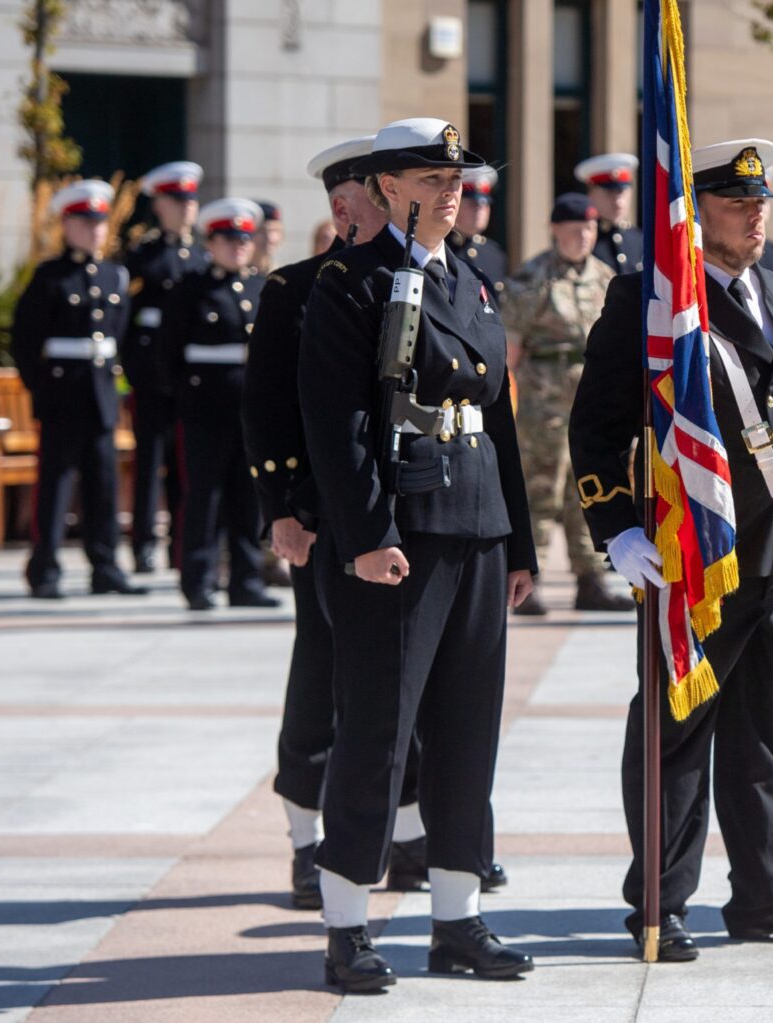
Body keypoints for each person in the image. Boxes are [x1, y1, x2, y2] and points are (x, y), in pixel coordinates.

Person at [570, 137, 773, 963]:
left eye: (762, 201)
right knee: (675, 731)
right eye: (737, 203)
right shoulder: (652, 299)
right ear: (696, 215)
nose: (756, 215)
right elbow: (596, 427)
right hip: (694, 556)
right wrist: (615, 529)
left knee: (763, 735)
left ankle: (768, 896)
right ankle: (662, 900)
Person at [299, 117, 537, 991]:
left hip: (475, 527)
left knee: (469, 730)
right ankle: (346, 923)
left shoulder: (472, 283)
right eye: (433, 179)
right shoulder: (351, 283)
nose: (453, 189)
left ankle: (456, 918)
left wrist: (518, 541)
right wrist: (365, 538)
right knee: (379, 729)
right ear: (389, 188)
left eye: (459, 177)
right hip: (399, 536)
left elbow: (498, 420)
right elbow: (339, 424)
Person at [243, 135, 498, 910]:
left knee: (428, 704)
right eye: (344, 205)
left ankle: (423, 843)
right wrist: (282, 507)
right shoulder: (306, 289)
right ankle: (311, 839)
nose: (349, 216)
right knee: (332, 690)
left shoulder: (459, 281)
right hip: (336, 520)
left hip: (427, 508)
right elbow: (281, 411)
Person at [11, 180, 144, 599]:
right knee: (55, 484)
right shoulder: (50, 276)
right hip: (61, 395)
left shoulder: (113, 275)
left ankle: (105, 567)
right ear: (67, 226)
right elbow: (25, 341)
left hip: (100, 394)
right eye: (87, 223)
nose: (96, 231)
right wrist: (43, 389)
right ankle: (45, 569)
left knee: (103, 485)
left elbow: (118, 337)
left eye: (101, 224)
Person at [500, 193, 632, 615]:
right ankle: (529, 578)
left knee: (587, 487)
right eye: (574, 230)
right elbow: (511, 349)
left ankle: (590, 578)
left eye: (590, 229)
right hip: (544, 404)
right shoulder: (533, 279)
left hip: (591, 400)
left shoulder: (605, 276)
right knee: (541, 488)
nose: (583, 237)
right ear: (555, 230)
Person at [162, 198, 279, 611]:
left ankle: (246, 581)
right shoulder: (191, 289)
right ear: (210, 242)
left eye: (245, 239)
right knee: (204, 498)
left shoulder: (259, 286)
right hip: (205, 409)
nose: (238, 247)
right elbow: (169, 354)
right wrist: (188, 397)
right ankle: (199, 581)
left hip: (248, 410)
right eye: (229, 239)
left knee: (247, 498)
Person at [123, 160, 209, 573]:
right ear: (159, 204)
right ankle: (142, 546)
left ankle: (180, 544)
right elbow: (125, 317)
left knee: (184, 463)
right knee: (148, 462)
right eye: (178, 200)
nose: (187, 207)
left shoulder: (201, 255)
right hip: (148, 371)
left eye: (191, 200)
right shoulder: (142, 256)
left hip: (187, 376)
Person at [575, 152, 644, 273]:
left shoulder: (641, 240)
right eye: (609, 193)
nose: (618, 201)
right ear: (591, 194)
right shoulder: (583, 240)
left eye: (622, 192)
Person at [447, 165, 509, 294]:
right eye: (472, 204)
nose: (479, 210)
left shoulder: (494, 254)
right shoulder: (441, 248)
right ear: (456, 205)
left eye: (484, 204)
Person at [252, 199, 284, 274]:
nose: (270, 238)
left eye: (275, 230)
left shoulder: (284, 274)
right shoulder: (237, 274)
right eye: (261, 231)